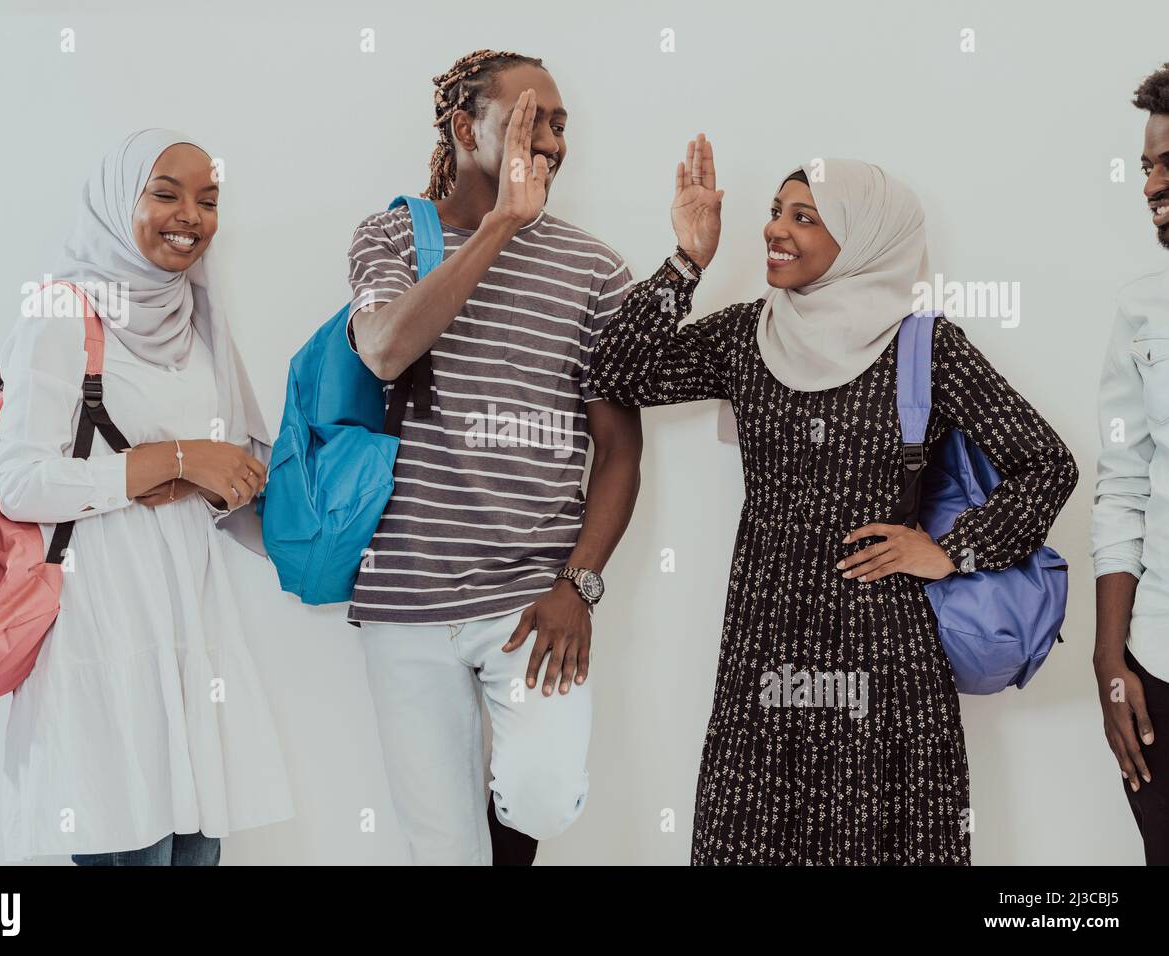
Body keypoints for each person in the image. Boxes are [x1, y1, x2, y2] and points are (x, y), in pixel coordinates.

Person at [590, 142, 1078, 864]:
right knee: (753, 835)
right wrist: (687, 259)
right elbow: (619, 371)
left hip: (887, 643)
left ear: (864, 239)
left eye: (805, 217)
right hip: (767, 632)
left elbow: (1047, 464)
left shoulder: (924, 347)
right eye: (774, 213)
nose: (774, 230)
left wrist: (951, 551)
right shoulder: (748, 335)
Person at [345, 50, 642, 865]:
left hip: (531, 599)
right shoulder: (390, 237)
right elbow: (383, 351)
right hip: (407, 596)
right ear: (463, 125)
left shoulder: (596, 271)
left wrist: (579, 583)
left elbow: (618, 450)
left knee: (543, 795)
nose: (549, 140)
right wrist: (501, 225)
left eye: (560, 124)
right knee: (444, 851)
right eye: (528, 119)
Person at [0, 128, 294, 865]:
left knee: (195, 852)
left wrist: (194, 477)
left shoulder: (195, 318)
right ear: (115, 201)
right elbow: (20, 481)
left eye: (208, 200)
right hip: (100, 624)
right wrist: (171, 459)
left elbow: (221, 473)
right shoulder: (62, 312)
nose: (190, 214)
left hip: (189, 621)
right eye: (165, 193)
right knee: (127, 842)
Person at [1092, 61, 1169, 865]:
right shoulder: (1142, 308)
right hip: (1159, 665)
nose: (1150, 183)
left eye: (1167, 161)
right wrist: (1110, 658)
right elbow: (1121, 488)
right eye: (1147, 164)